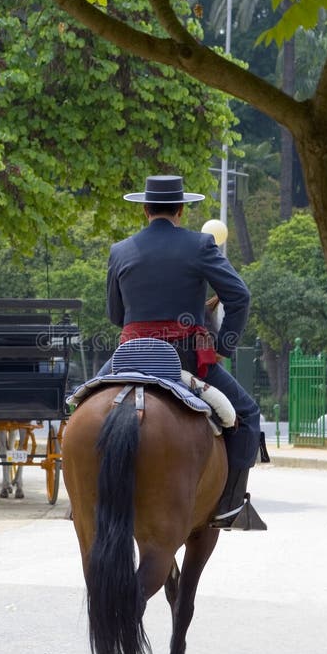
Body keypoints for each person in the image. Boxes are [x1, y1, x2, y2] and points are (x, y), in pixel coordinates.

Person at [104, 174, 266, 531]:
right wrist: (223, 346)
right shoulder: (200, 245)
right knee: (249, 414)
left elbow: (115, 316)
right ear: (181, 209)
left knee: (81, 407)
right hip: (185, 359)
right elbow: (239, 296)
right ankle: (228, 505)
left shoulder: (120, 250)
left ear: (145, 209)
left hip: (129, 355)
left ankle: (87, 497)